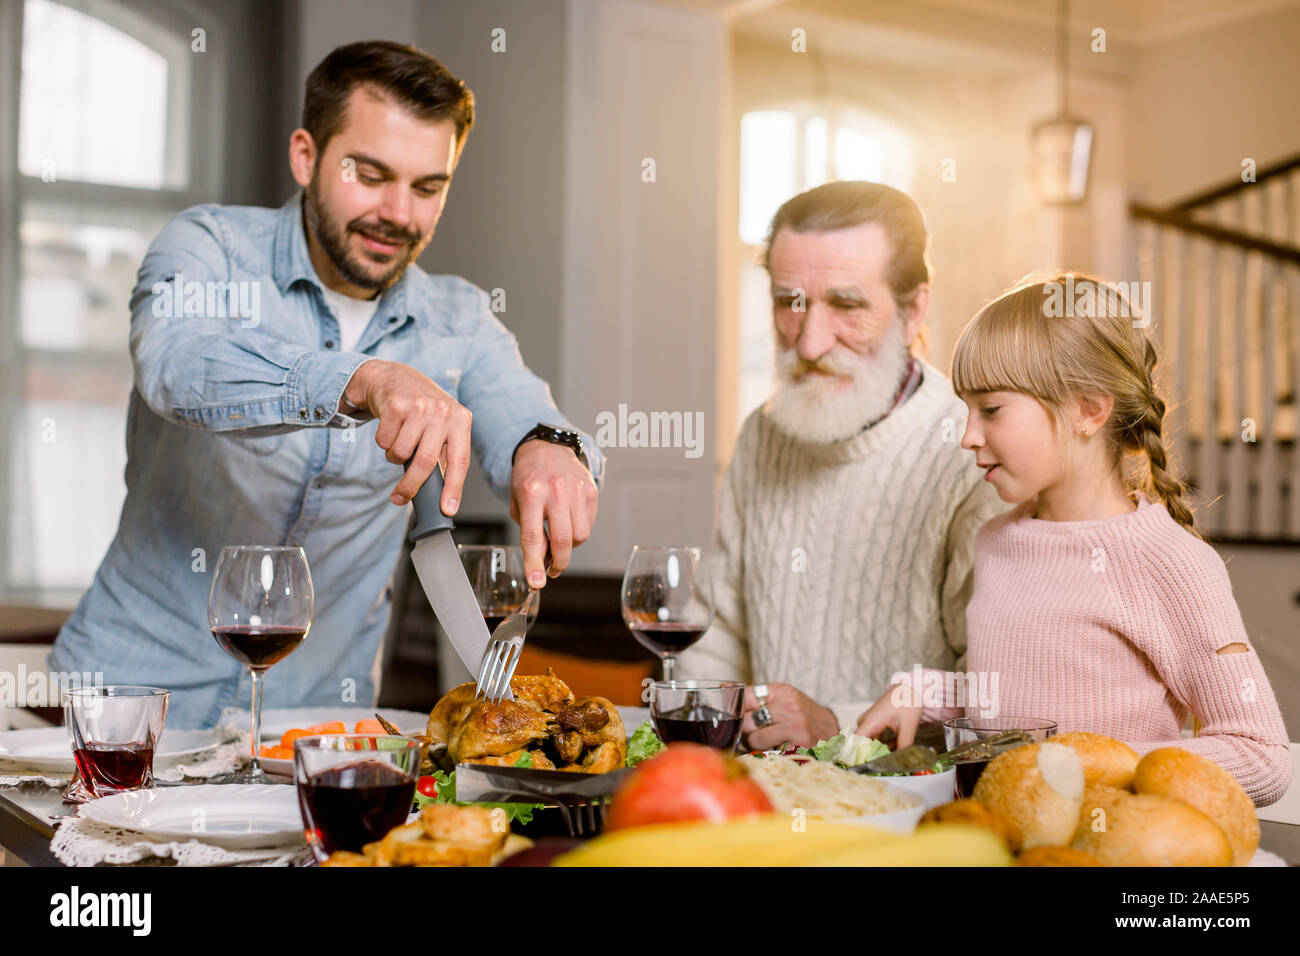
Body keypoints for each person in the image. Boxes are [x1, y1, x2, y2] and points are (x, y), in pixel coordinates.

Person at [49, 41, 602, 729]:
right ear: (306, 156)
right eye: (371, 175)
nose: (400, 213)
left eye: (428, 187)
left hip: (315, 729)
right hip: (126, 707)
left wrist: (548, 448)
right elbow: (176, 364)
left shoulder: (457, 319)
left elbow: (523, 409)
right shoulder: (208, 248)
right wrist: (362, 379)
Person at [855, 271, 1292, 806]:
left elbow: (1263, 757)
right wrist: (920, 693)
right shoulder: (996, 541)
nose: (968, 436)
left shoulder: (1172, 563)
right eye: (965, 411)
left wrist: (1096, 765)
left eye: (990, 409)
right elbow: (1017, 702)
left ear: (1088, 409)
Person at [675, 181, 1006, 749]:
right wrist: (695, 733)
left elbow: (995, 692)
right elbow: (719, 632)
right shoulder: (763, 434)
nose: (807, 343)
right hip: (763, 792)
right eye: (789, 302)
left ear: (913, 309)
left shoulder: (974, 451)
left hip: (912, 809)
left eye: (847, 305)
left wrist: (835, 725)